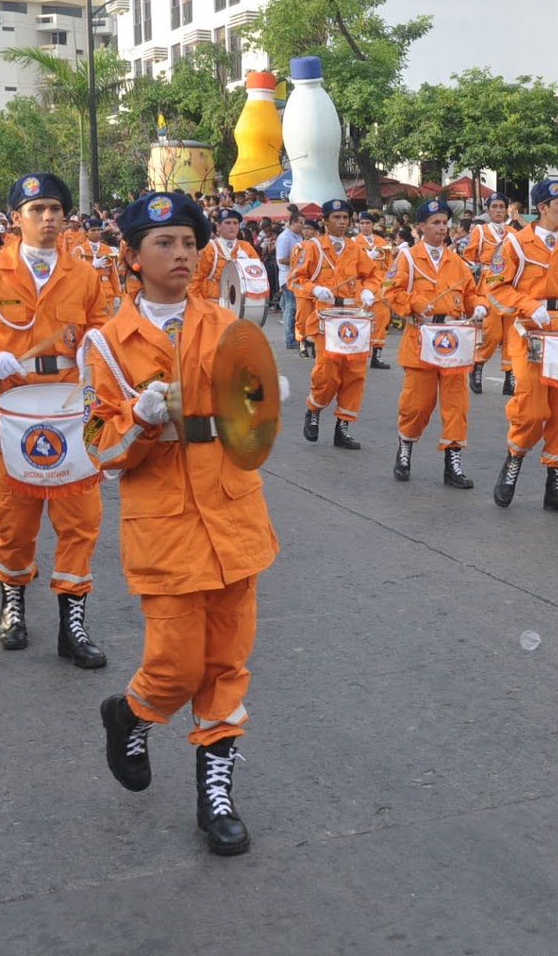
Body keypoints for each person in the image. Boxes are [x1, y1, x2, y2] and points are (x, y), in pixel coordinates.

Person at [84, 191, 280, 857]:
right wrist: (135, 421)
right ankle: (131, 713)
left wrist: (254, 402)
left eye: (190, 244)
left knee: (227, 662)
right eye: (164, 244)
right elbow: (102, 452)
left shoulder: (227, 323)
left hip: (232, 514)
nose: (181, 255)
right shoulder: (105, 345)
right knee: (174, 664)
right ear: (131, 258)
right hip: (163, 522)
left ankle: (215, 791)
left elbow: (254, 418)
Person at [0, 173, 109, 666]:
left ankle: (72, 622)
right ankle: (12, 601)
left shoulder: (84, 274)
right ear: (15, 219)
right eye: (37, 209)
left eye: (56, 208)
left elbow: (104, 333)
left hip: (71, 407)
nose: (49, 217)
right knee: (15, 519)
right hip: (13, 407)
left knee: (81, 519)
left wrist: (94, 353)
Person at [488, 178, 558, 514]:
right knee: (532, 410)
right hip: (529, 332)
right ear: (542, 208)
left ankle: (556, 487)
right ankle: (514, 460)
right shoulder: (516, 244)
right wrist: (527, 304)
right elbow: (495, 287)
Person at [382, 200, 484, 487]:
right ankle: (405, 446)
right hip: (421, 340)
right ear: (421, 227)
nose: (442, 228)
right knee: (417, 405)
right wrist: (415, 303)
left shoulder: (458, 263)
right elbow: (389, 291)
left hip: (453, 341)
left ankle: (453, 462)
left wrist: (478, 306)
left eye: (445, 222)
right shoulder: (409, 259)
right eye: (436, 223)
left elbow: (471, 294)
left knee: (456, 405)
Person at [291, 198, 381, 449]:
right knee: (327, 372)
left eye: (345, 218)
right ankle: (314, 409)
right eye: (336, 218)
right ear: (325, 221)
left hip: (353, 317)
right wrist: (314, 289)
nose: (341, 222)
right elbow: (295, 280)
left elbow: (373, 275)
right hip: (326, 316)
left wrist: (368, 291)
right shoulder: (313, 249)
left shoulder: (355, 249)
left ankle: (343, 426)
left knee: (354, 373)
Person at [465, 194, 516, 394]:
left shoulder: (512, 232)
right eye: (494, 206)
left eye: (502, 207)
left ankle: (509, 375)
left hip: (510, 286)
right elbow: (469, 257)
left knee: (512, 334)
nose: (498, 210)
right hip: (489, 285)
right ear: (487, 210)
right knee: (492, 333)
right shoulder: (481, 230)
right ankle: (478, 363)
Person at [192, 207, 259, 303]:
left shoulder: (246, 247)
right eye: (228, 223)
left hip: (240, 304)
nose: (232, 226)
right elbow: (196, 279)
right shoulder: (210, 248)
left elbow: (258, 276)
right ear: (218, 226)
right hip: (213, 304)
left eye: (235, 223)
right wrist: (196, 304)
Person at [356, 212, 395, 370]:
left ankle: (376, 356)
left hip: (380, 287)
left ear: (373, 225)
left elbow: (390, 266)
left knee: (381, 321)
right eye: (362, 223)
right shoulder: (354, 242)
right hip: (362, 286)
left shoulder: (381, 242)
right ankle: (358, 356)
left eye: (367, 223)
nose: (364, 226)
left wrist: (389, 284)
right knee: (362, 322)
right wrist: (367, 258)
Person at [274, 210, 303, 352]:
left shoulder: (298, 236)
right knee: (291, 308)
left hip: (298, 276)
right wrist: (300, 261)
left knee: (292, 308)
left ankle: (294, 337)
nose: (302, 226)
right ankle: (290, 339)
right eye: (300, 223)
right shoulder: (285, 237)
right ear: (292, 222)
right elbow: (281, 259)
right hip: (287, 277)